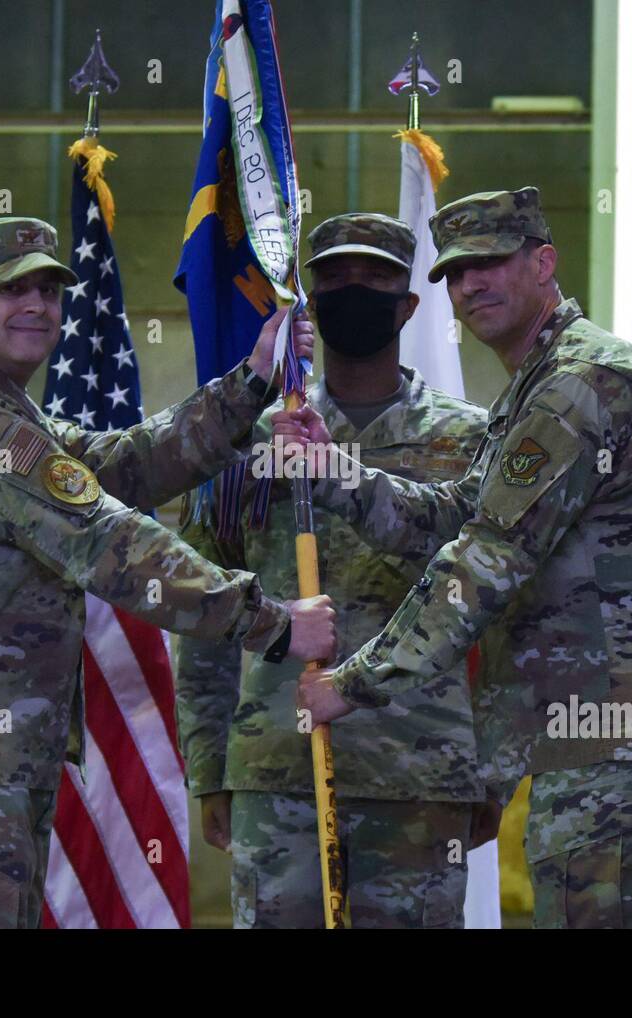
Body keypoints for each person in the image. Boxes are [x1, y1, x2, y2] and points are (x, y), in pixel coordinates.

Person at [0, 215, 336, 929]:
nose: (37, 307)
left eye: (49, 291)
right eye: (11, 289)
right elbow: (107, 540)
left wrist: (253, 385)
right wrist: (268, 623)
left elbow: (123, 464)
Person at [277, 189, 632, 929]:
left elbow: (487, 560)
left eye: (489, 264)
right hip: (589, 735)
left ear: (545, 263)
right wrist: (339, 475)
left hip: (617, 737)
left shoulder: (581, 383)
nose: (469, 285)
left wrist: (357, 682)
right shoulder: (535, 389)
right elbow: (459, 517)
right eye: (453, 272)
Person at [175, 213, 491, 928]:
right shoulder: (250, 441)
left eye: (377, 277)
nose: (357, 291)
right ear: (309, 303)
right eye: (337, 278)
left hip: (419, 770)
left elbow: (496, 612)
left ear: (409, 305)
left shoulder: (469, 440)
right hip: (275, 767)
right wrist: (208, 765)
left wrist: (491, 767)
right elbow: (202, 609)